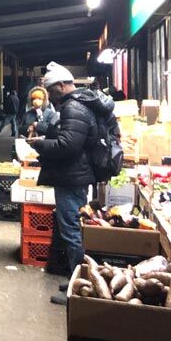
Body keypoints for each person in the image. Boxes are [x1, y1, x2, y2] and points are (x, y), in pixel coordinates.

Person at [28, 62, 116, 305]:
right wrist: (47, 130)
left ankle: (79, 287)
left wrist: (39, 144)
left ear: (61, 86)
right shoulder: (76, 105)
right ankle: (76, 276)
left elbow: (68, 145)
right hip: (75, 175)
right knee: (72, 228)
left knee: (72, 231)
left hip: (72, 176)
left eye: (52, 90)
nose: (51, 96)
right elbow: (69, 134)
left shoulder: (74, 107)